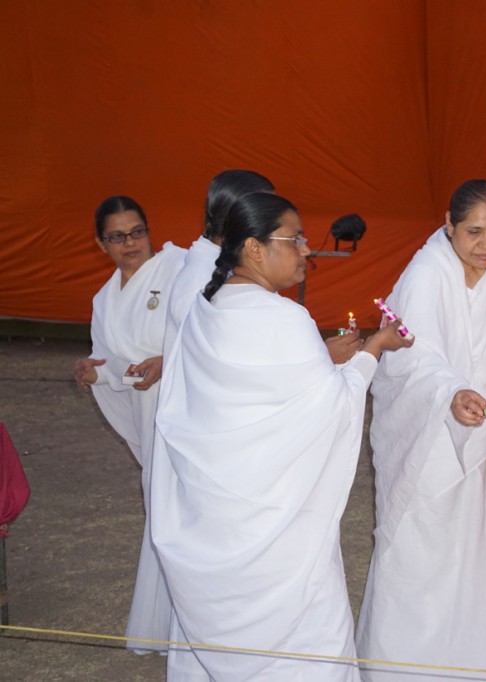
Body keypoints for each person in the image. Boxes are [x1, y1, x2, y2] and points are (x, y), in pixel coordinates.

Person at [150, 192, 411, 681]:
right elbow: (330, 406)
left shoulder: (206, 309)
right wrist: (375, 347)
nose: (307, 249)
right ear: (253, 248)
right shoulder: (286, 319)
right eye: (295, 239)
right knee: (307, 641)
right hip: (280, 528)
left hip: (216, 514)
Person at [356, 180, 486, 680]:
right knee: (425, 555)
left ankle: (483, 665)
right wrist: (451, 394)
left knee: (484, 554)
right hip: (431, 442)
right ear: (449, 226)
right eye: (474, 231)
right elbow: (409, 359)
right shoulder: (425, 274)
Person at [72, 195, 185, 653]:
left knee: (187, 511)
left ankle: (197, 627)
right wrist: (94, 372)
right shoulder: (104, 300)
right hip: (148, 414)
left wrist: (168, 359)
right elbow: (114, 364)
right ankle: (166, 627)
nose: (131, 243)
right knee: (162, 512)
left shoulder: (179, 269)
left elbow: (210, 335)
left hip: (187, 411)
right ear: (102, 244)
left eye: (137, 231)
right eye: (117, 236)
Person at [163, 169, 274, 348]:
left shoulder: (236, 261)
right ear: (240, 217)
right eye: (267, 214)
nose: (274, 223)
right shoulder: (198, 280)